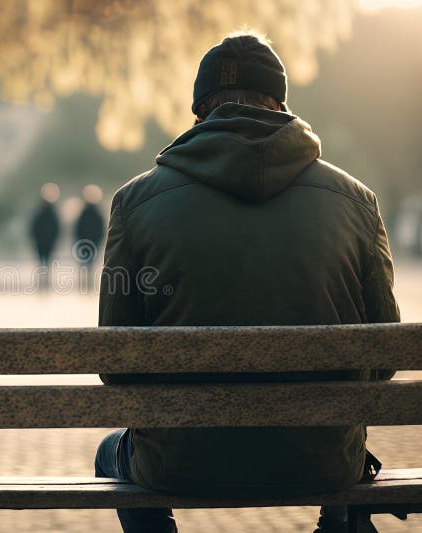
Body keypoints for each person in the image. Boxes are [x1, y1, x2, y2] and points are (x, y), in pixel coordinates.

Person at [94, 32, 399, 533]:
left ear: (199, 114)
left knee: (111, 453)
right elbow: (384, 359)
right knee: (346, 441)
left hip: (180, 461)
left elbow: (116, 368)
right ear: (279, 106)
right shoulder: (355, 201)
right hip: (320, 460)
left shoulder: (135, 203)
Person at [29, 182, 61, 288]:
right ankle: (44, 280)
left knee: (44, 262)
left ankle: (43, 280)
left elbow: (33, 227)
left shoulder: (41, 210)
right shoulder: (50, 211)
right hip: (44, 242)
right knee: (45, 262)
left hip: (44, 242)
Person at [73, 184, 106, 268]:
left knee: (86, 261)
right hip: (91, 241)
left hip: (86, 241)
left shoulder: (83, 212)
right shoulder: (96, 212)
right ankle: (87, 276)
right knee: (89, 261)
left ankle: (86, 276)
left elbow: (77, 229)